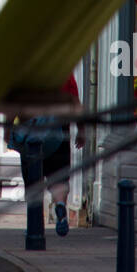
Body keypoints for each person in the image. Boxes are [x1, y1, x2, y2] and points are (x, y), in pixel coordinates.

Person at [44, 73, 85, 237]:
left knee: (34, 177)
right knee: (59, 176)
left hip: (35, 132)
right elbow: (75, 104)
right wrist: (81, 129)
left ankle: (33, 228)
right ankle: (60, 203)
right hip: (60, 131)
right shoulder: (65, 75)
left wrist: (9, 130)